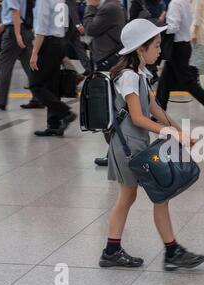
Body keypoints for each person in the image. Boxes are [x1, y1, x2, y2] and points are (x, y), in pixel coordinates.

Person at [100, 19, 204, 271]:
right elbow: (137, 117)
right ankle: (162, 252)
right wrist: (171, 132)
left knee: (146, 196)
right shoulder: (127, 77)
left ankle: (122, 250)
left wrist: (181, 132)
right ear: (140, 49)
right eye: (156, 45)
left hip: (137, 144)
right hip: (127, 147)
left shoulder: (140, 74)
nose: (160, 50)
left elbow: (156, 108)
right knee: (143, 196)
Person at [156, 0, 204, 124]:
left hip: (177, 47)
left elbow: (173, 27)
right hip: (183, 45)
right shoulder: (185, 2)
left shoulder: (175, 4)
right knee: (164, 82)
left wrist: (159, 28)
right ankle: (159, 112)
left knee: (187, 82)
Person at [84, 0, 126, 166]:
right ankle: (114, 152)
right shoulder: (114, 6)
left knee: (107, 109)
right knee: (110, 109)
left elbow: (90, 29)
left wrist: (90, 7)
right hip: (109, 61)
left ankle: (116, 153)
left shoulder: (109, 8)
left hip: (107, 63)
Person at [30, 0, 77, 136]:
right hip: (60, 42)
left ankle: (65, 112)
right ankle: (54, 124)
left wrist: (34, 52)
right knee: (52, 85)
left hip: (48, 43)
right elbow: (65, 24)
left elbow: (42, 27)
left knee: (36, 85)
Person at [0, 0, 42, 111]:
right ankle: (39, 97)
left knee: (4, 66)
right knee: (30, 66)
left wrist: (17, 35)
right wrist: (4, 24)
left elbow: (16, 11)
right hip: (25, 30)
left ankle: (1, 100)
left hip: (14, 33)